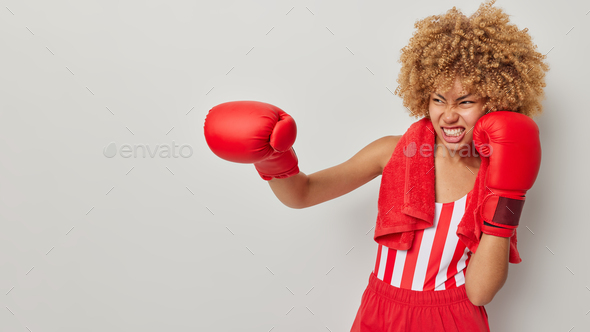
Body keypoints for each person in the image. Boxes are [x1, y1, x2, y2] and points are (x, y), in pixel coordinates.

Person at [203, 0, 549, 330]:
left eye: (466, 101)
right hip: (380, 308)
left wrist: (508, 195)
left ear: (497, 100)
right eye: (438, 99)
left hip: (452, 316)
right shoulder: (393, 151)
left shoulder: (498, 175)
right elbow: (302, 194)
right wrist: (271, 157)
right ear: (423, 95)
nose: (449, 114)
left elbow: (480, 292)